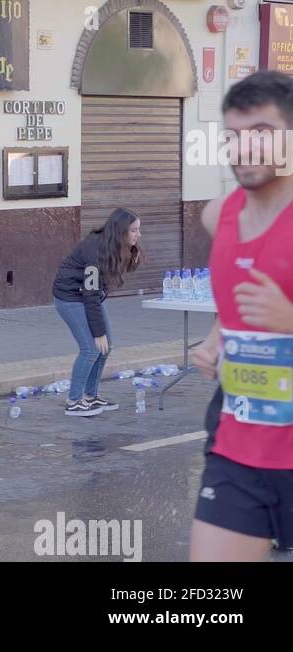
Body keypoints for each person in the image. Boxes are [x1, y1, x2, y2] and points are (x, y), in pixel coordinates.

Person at [189, 71, 293, 562]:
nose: (243, 149)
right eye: (232, 136)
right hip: (240, 449)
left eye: (261, 133)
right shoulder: (219, 215)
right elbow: (238, 293)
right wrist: (217, 335)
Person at [52, 208, 143, 416]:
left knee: (105, 347)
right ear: (121, 231)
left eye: (138, 230)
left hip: (89, 296)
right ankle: (74, 401)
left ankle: (90, 396)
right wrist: (98, 332)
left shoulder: (115, 246)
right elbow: (90, 293)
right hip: (69, 297)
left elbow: (98, 289)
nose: (139, 235)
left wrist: (134, 255)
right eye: (134, 230)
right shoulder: (95, 250)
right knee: (91, 348)